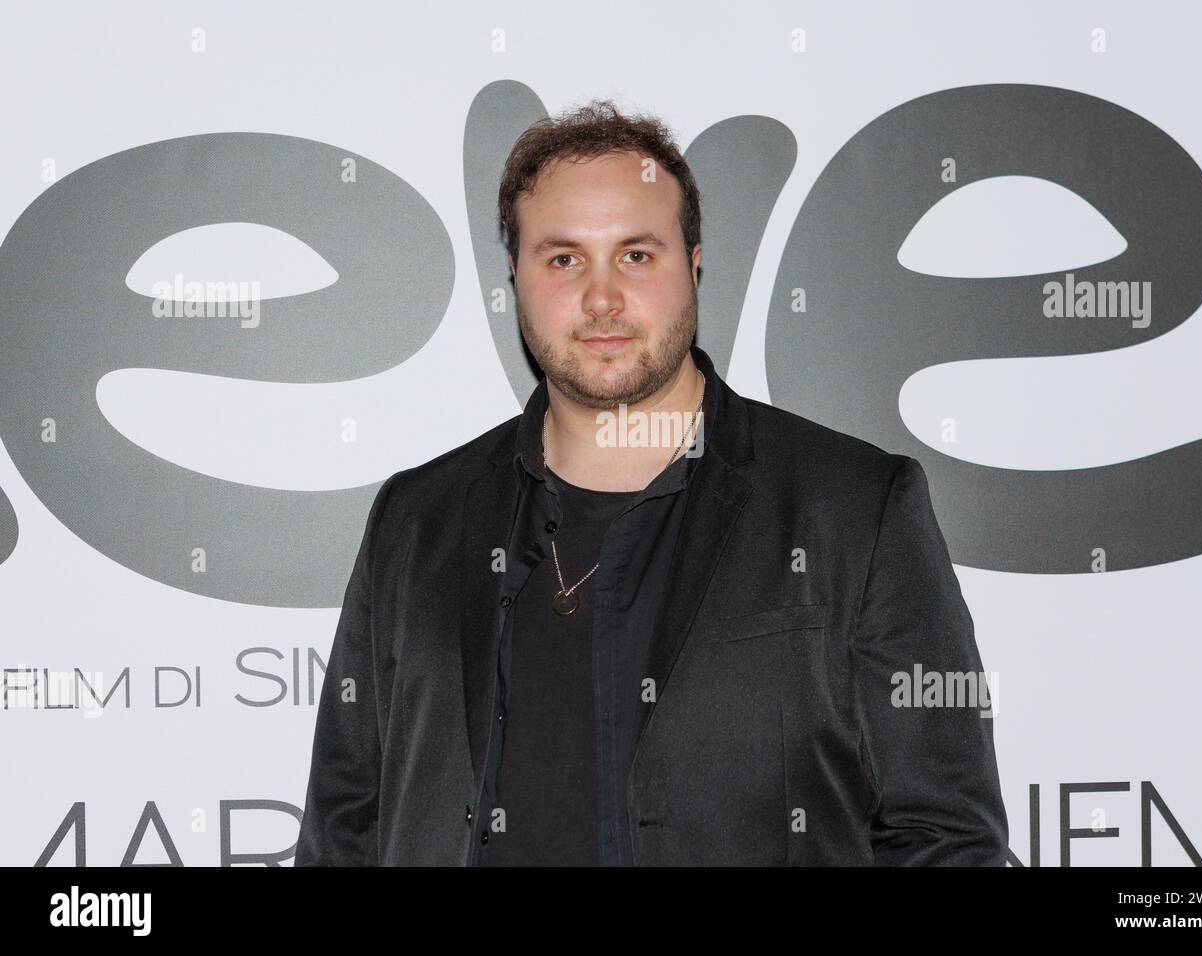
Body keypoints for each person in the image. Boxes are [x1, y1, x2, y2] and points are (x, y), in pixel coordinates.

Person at [295, 99, 1008, 866]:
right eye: (563, 258)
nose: (602, 298)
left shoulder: (855, 508)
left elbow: (946, 838)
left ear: (694, 265)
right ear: (515, 278)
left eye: (636, 255)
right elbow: (345, 829)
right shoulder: (417, 518)